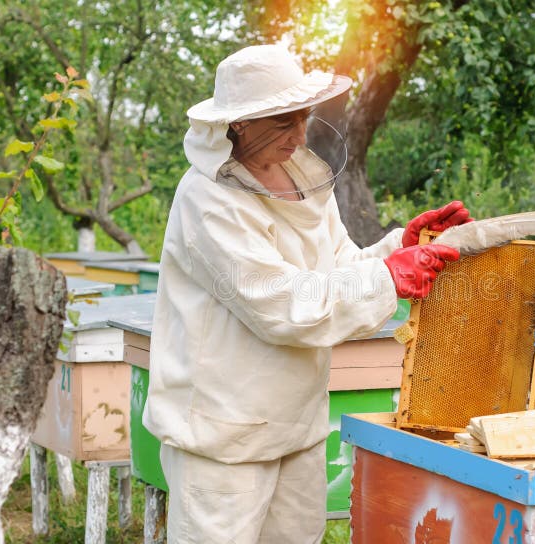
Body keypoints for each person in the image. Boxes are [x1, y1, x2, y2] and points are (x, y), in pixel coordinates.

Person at [143, 44, 470, 543]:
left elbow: (334, 266)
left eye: (302, 118)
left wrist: (394, 249)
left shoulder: (301, 176)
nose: (298, 135)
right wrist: (390, 278)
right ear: (239, 124)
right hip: (224, 437)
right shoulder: (208, 199)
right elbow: (281, 305)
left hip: (296, 422)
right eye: (282, 123)